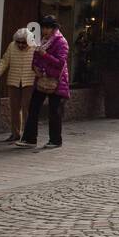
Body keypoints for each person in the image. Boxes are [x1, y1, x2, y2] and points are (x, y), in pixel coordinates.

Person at [18, 16, 69, 150]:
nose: (45, 31)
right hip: (42, 79)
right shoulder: (42, 41)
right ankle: (29, 139)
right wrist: (35, 67)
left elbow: (60, 63)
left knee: (54, 110)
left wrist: (45, 54)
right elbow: (35, 57)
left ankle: (55, 140)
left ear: (54, 28)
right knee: (33, 107)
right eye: (44, 28)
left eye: (48, 28)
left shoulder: (61, 42)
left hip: (57, 81)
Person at [0, 28, 36, 142]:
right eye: (18, 42)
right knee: (14, 109)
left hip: (29, 81)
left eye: (23, 42)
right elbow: (5, 60)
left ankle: (27, 134)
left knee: (27, 109)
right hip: (14, 80)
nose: (20, 45)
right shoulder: (12, 46)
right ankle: (15, 133)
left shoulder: (35, 47)